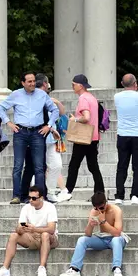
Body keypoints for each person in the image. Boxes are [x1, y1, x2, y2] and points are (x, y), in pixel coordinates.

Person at [0, 72, 60, 205]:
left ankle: (40, 196)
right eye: (29, 81)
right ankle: (16, 196)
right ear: (23, 83)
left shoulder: (42, 94)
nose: (32, 84)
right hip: (20, 132)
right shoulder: (16, 94)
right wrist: (8, 122)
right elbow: (0, 108)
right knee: (18, 166)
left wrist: (48, 126)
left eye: (33, 81)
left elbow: (55, 110)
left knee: (39, 167)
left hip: (37, 132)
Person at [0, 185, 59, 276]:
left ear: (41, 198)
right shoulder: (26, 208)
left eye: (34, 198)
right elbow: (20, 225)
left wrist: (34, 229)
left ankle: (42, 267)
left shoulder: (50, 207)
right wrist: (22, 229)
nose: (31, 200)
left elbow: (51, 229)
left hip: (49, 238)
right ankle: (5, 269)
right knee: (14, 236)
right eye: (29, 197)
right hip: (33, 237)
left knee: (45, 235)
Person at [55, 74, 104, 203]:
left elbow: (86, 117)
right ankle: (100, 192)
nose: (72, 87)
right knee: (93, 166)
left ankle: (68, 191)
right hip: (93, 136)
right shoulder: (92, 97)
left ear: (80, 86)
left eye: (73, 84)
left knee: (74, 165)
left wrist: (74, 119)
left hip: (83, 137)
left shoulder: (83, 98)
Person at [61, 192, 127, 276]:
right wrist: (90, 225)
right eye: (97, 208)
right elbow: (87, 234)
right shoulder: (94, 212)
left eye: (102, 208)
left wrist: (103, 221)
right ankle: (75, 269)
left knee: (116, 240)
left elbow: (117, 233)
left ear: (106, 202)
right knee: (82, 240)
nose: (100, 211)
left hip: (115, 239)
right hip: (102, 239)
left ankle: (117, 268)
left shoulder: (116, 210)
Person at [113, 74, 138, 204]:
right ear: (135, 84)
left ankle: (119, 195)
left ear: (122, 83)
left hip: (122, 134)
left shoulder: (117, 97)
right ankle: (135, 195)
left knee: (122, 166)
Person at [35, 74, 68, 200]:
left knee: (56, 165)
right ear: (45, 84)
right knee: (38, 167)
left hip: (52, 138)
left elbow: (61, 113)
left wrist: (57, 102)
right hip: (39, 137)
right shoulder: (35, 98)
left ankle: (50, 191)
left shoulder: (49, 99)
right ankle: (41, 192)